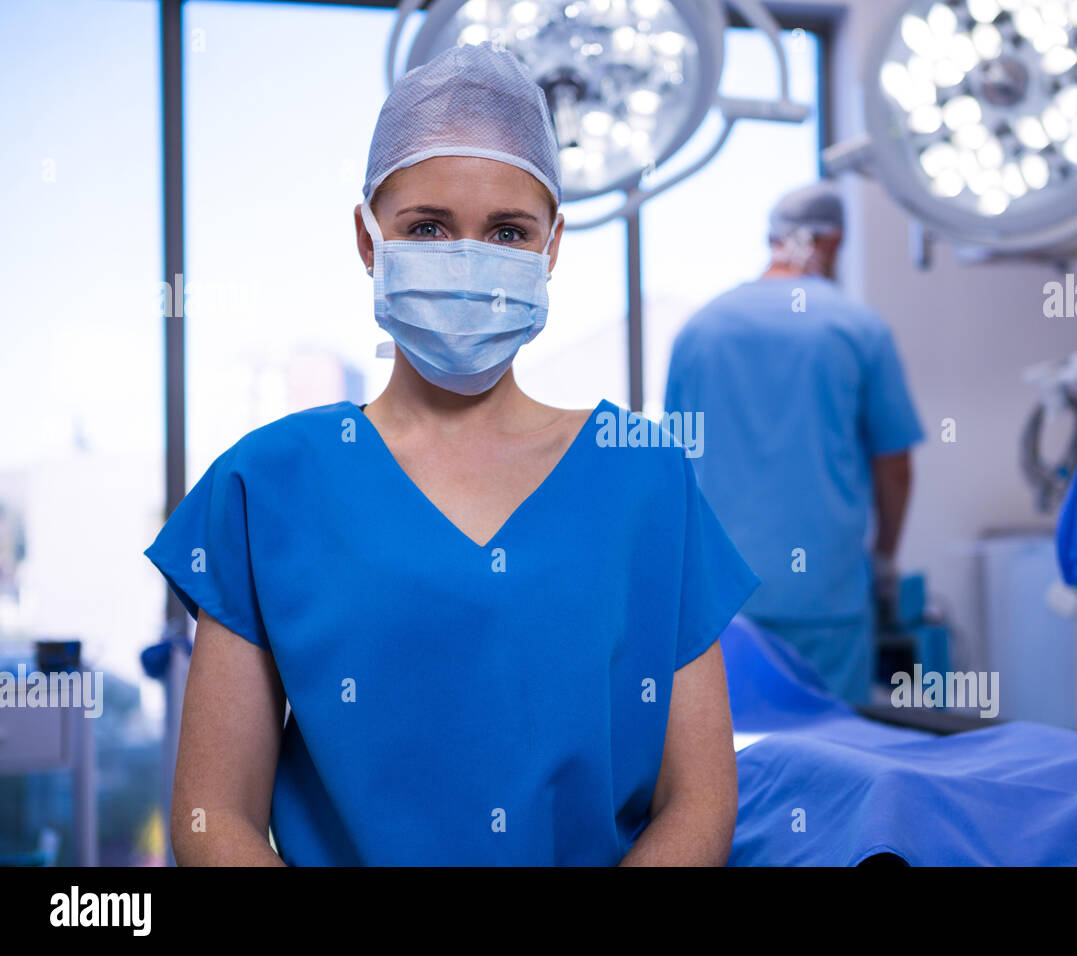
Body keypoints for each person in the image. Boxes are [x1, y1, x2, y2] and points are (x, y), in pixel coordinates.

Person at [145, 43, 758, 866]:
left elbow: (701, 802)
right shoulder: (269, 483)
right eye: (427, 227)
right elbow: (214, 817)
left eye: (507, 231)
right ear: (368, 240)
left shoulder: (643, 476)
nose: (470, 260)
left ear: (552, 248)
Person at [662, 180, 923, 709]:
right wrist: (884, 561)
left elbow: (673, 466)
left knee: (731, 764)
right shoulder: (856, 327)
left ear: (772, 239)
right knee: (831, 759)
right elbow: (894, 467)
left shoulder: (702, 329)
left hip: (722, 600)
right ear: (833, 241)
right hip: (825, 598)